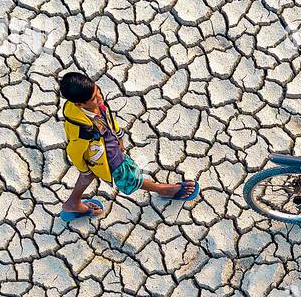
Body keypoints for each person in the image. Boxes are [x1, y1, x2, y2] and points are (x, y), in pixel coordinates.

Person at [58, 71, 198, 221]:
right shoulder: (82, 129)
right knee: (129, 177)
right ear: (79, 104)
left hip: (108, 145)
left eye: (97, 91)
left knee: (90, 175)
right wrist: (84, 169)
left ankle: (73, 203)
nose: (100, 98)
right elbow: (73, 151)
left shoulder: (94, 104)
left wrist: (119, 137)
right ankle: (164, 190)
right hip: (104, 157)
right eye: (93, 98)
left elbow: (108, 117)